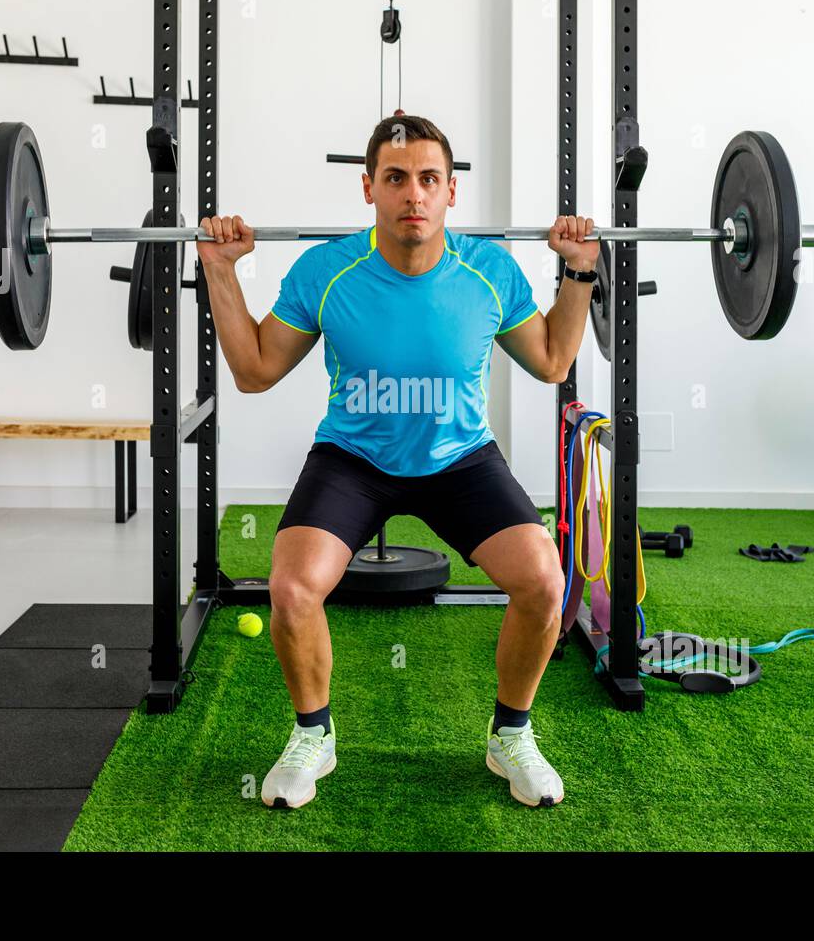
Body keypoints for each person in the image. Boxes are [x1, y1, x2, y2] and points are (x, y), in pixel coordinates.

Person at [197, 114, 598, 809]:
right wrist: (219, 270)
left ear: (450, 193)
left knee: (542, 578)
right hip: (353, 458)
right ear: (369, 189)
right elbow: (255, 371)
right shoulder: (327, 270)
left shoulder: (489, 270)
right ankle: (313, 736)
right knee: (292, 589)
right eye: (396, 178)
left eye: (428, 179)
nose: (413, 193)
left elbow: (554, 360)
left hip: (460, 458)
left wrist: (580, 269)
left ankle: (511, 735)